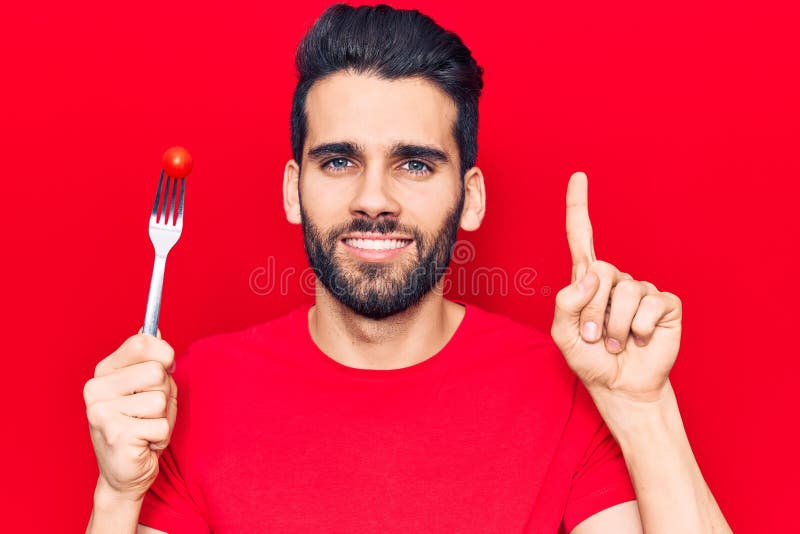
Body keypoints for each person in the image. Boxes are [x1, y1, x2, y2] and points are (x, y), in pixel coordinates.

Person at [84, 4, 732, 533]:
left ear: (470, 198)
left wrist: (644, 408)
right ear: (292, 189)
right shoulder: (188, 396)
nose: (373, 199)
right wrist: (116, 495)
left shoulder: (563, 397)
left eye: (414, 165)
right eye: (339, 161)